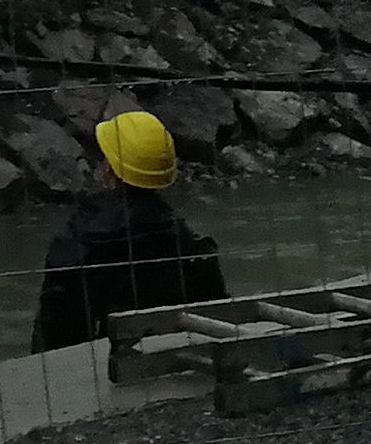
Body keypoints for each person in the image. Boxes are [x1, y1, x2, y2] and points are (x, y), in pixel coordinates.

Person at [30, 111, 228, 353]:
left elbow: (52, 336)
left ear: (109, 170)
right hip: (179, 360)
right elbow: (216, 318)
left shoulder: (76, 242)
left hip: (100, 366)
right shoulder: (190, 244)